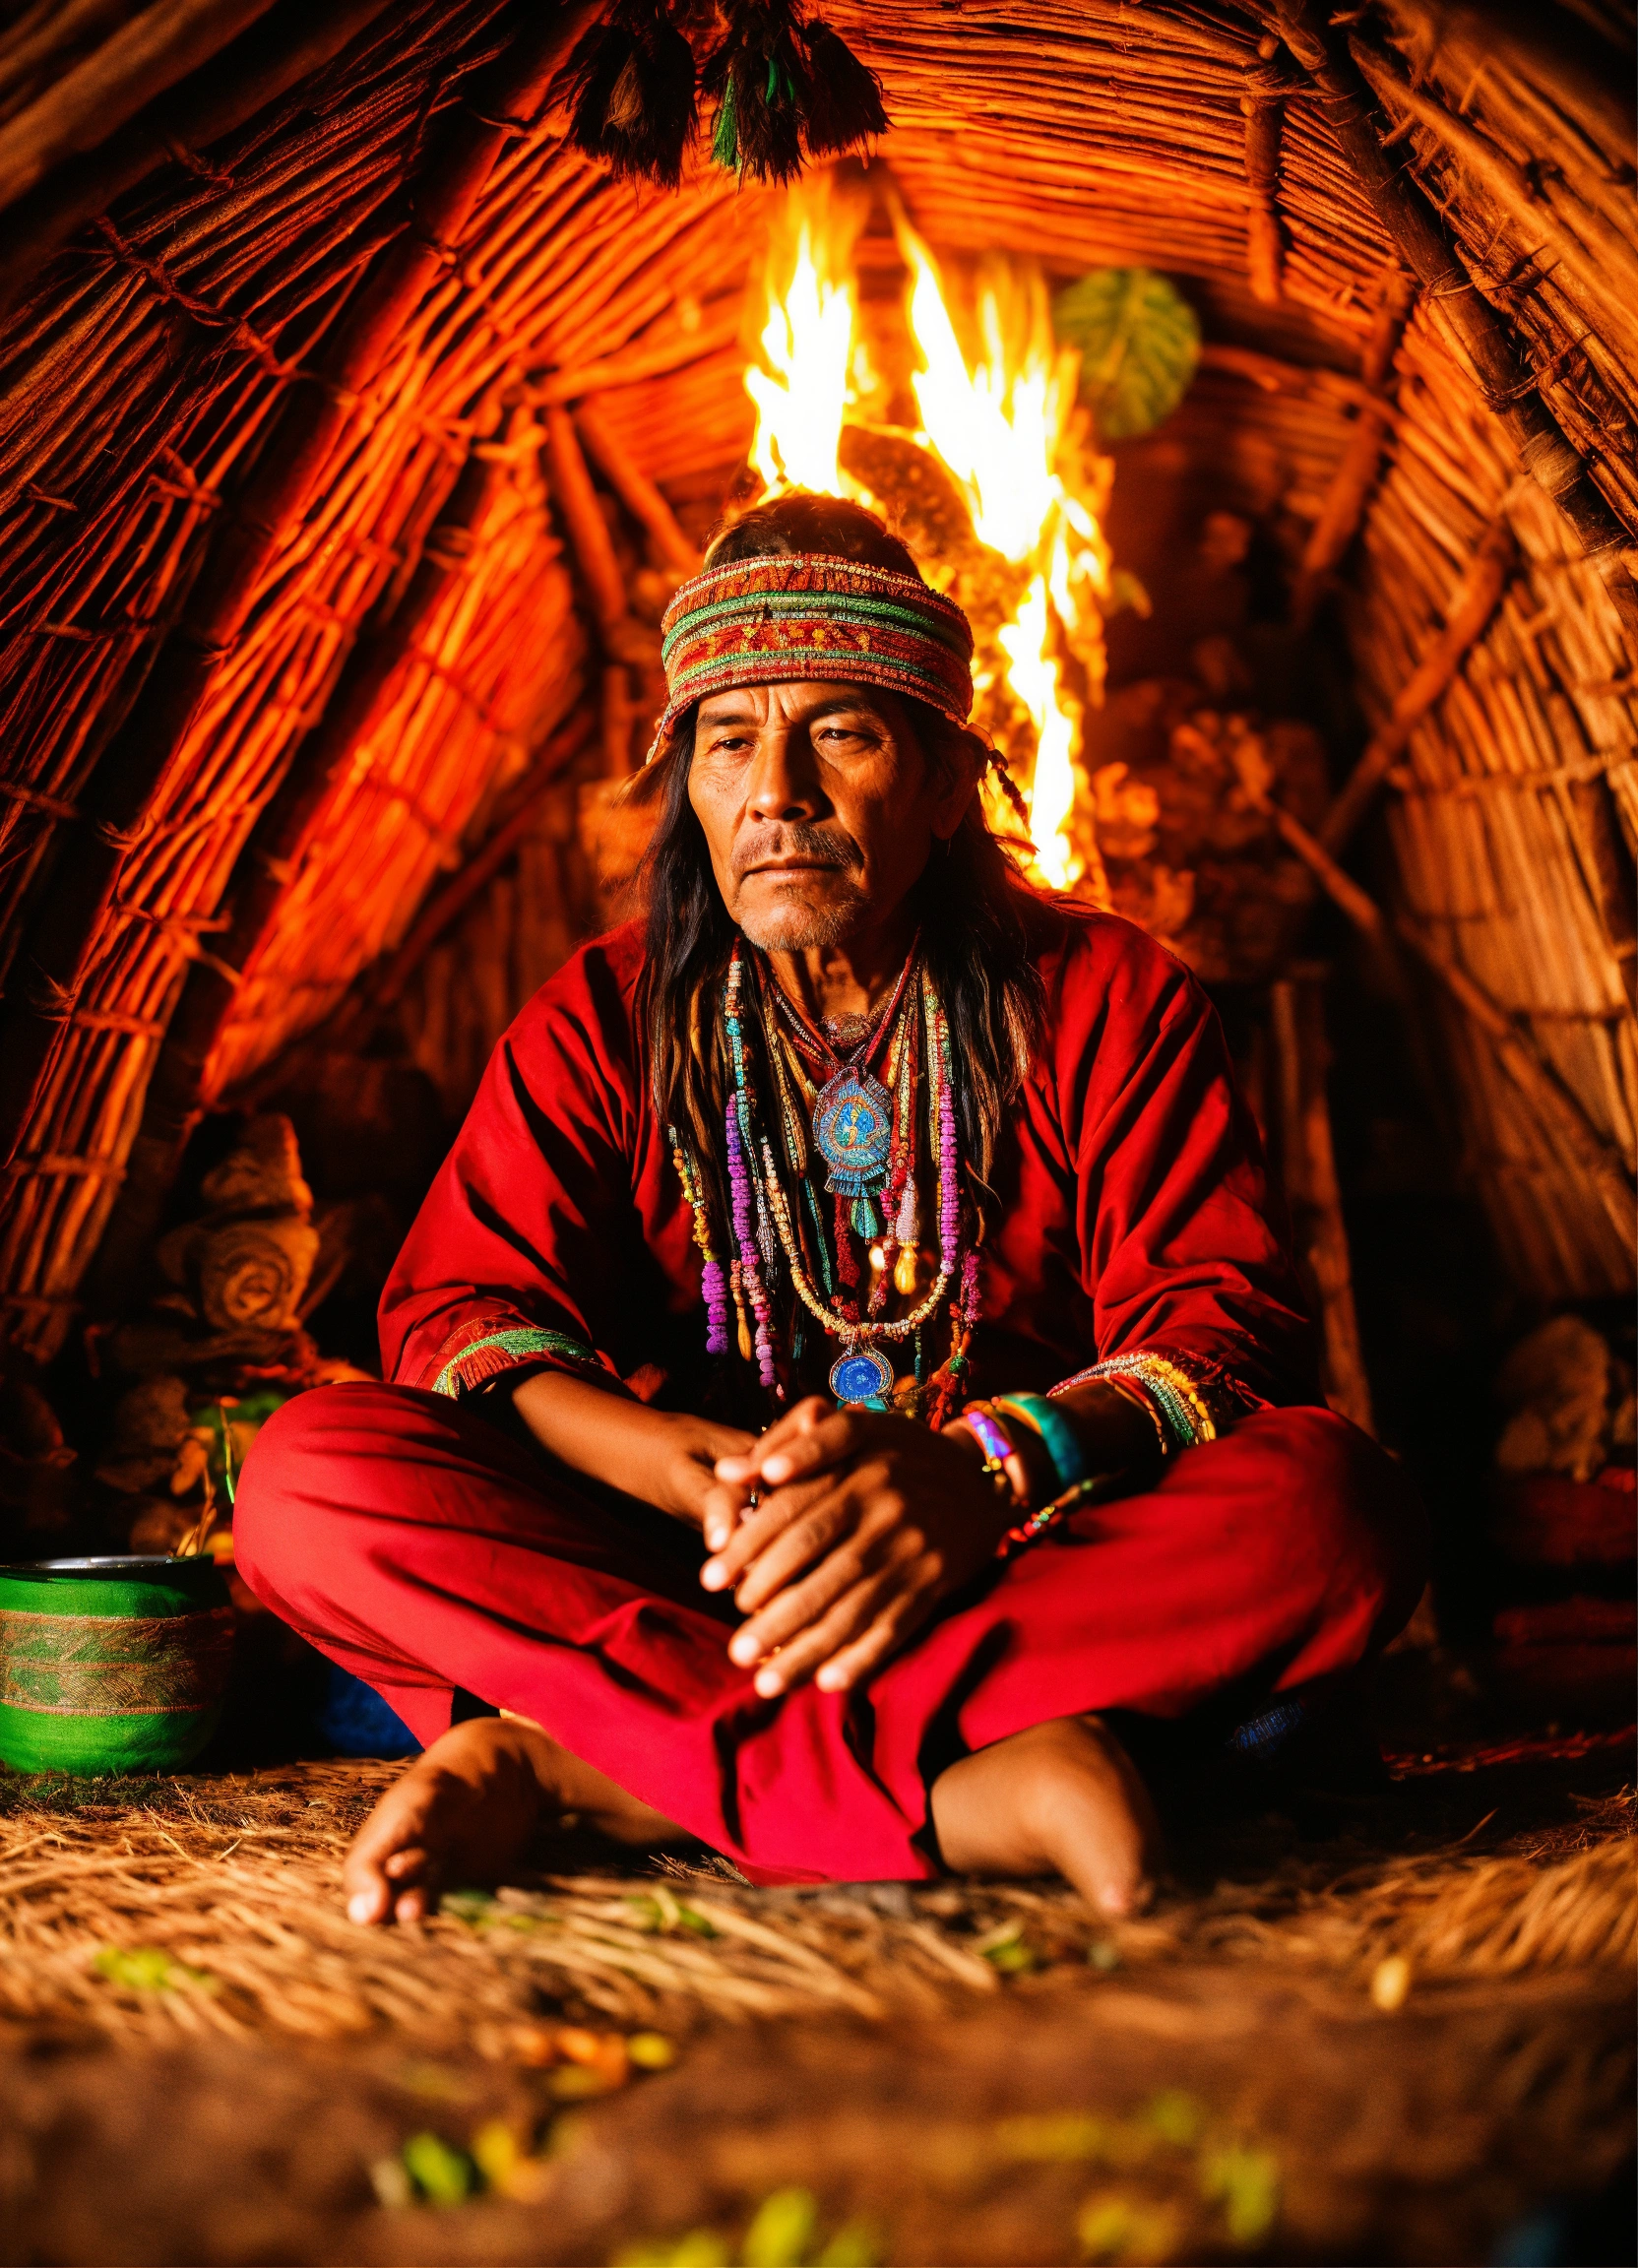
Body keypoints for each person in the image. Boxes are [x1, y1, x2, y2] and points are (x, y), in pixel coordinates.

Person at [234, 491, 1423, 1926]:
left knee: (1335, 1508)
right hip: (683, 1570)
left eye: (842, 733)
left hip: (1009, 1564)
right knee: (305, 1480)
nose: (776, 791)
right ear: (689, 788)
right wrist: (677, 1464)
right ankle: (969, 1788)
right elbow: (464, 1316)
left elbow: (1224, 1334)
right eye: (729, 742)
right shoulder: (608, 1013)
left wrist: (982, 1476)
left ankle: (593, 1771)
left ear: (942, 784)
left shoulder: (1108, 996)